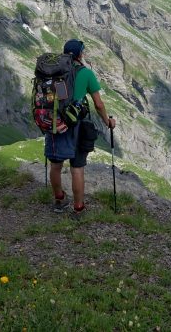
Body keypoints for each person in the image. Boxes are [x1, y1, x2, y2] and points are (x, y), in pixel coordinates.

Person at [46, 38, 116, 214]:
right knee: (76, 167)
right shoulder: (86, 73)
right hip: (76, 125)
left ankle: (59, 200)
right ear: (79, 54)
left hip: (56, 123)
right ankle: (78, 208)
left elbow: (57, 97)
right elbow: (98, 104)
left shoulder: (55, 71)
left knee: (56, 165)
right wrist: (107, 121)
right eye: (82, 52)